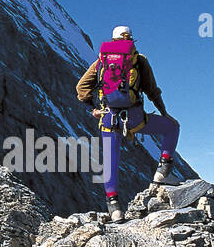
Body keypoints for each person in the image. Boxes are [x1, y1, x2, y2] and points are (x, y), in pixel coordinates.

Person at [75, 25, 180, 223]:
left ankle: (115, 209)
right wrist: (165, 113)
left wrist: (93, 109)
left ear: (112, 40)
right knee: (172, 128)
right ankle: (163, 171)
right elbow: (152, 91)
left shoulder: (101, 63)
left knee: (110, 162)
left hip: (108, 118)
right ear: (131, 40)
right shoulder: (139, 60)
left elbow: (81, 88)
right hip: (135, 119)